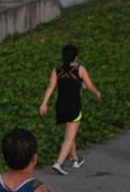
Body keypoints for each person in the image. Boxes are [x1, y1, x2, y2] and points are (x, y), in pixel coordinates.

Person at [38, 44, 103, 175]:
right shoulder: (80, 69)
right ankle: (59, 163)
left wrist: (44, 103)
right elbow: (89, 85)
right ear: (75, 57)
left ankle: (75, 160)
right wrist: (97, 94)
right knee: (69, 137)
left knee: (69, 134)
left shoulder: (57, 70)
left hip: (60, 106)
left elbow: (51, 87)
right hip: (74, 106)